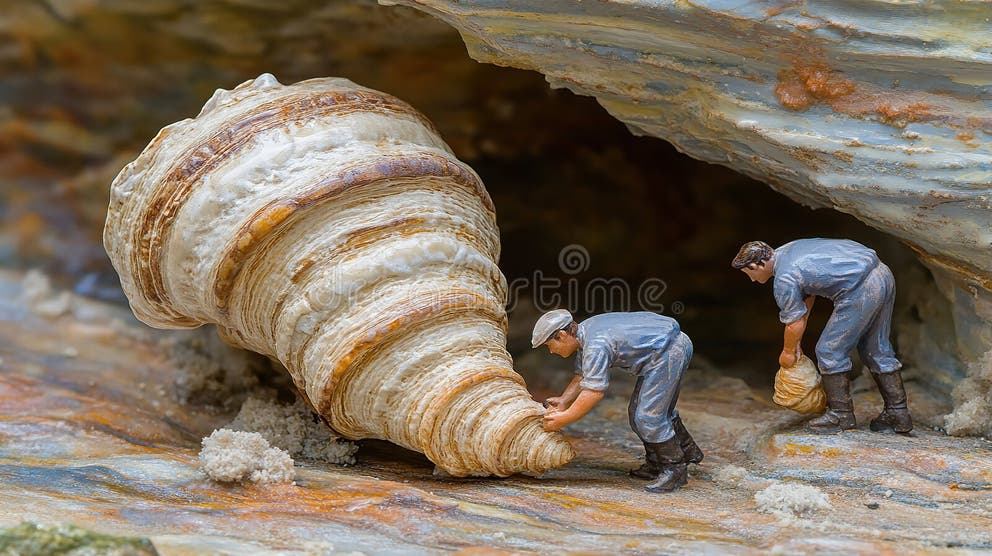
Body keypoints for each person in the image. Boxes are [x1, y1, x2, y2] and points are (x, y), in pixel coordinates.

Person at [731, 238, 912, 434]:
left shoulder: (784, 278)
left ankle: (840, 415)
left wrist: (788, 352)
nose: (752, 279)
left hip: (860, 287)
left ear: (756, 265)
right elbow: (806, 297)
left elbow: (794, 322)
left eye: (749, 273)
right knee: (876, 348)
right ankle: (898, 412)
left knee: (829, 351)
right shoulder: (787, 250)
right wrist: (797, 342)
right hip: (882, 273)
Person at [532, 309, 702, 492]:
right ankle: (676, 454)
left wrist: (565, 418)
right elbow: (582, 375)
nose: (550, 351)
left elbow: (593, 391)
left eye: (549, 345)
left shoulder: (596, 344)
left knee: (648, 417)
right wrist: (564, 400)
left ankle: (675, 469)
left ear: (562, 335)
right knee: (639, 414)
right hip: (664, 350)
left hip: (669, 351)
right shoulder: (585, 334)